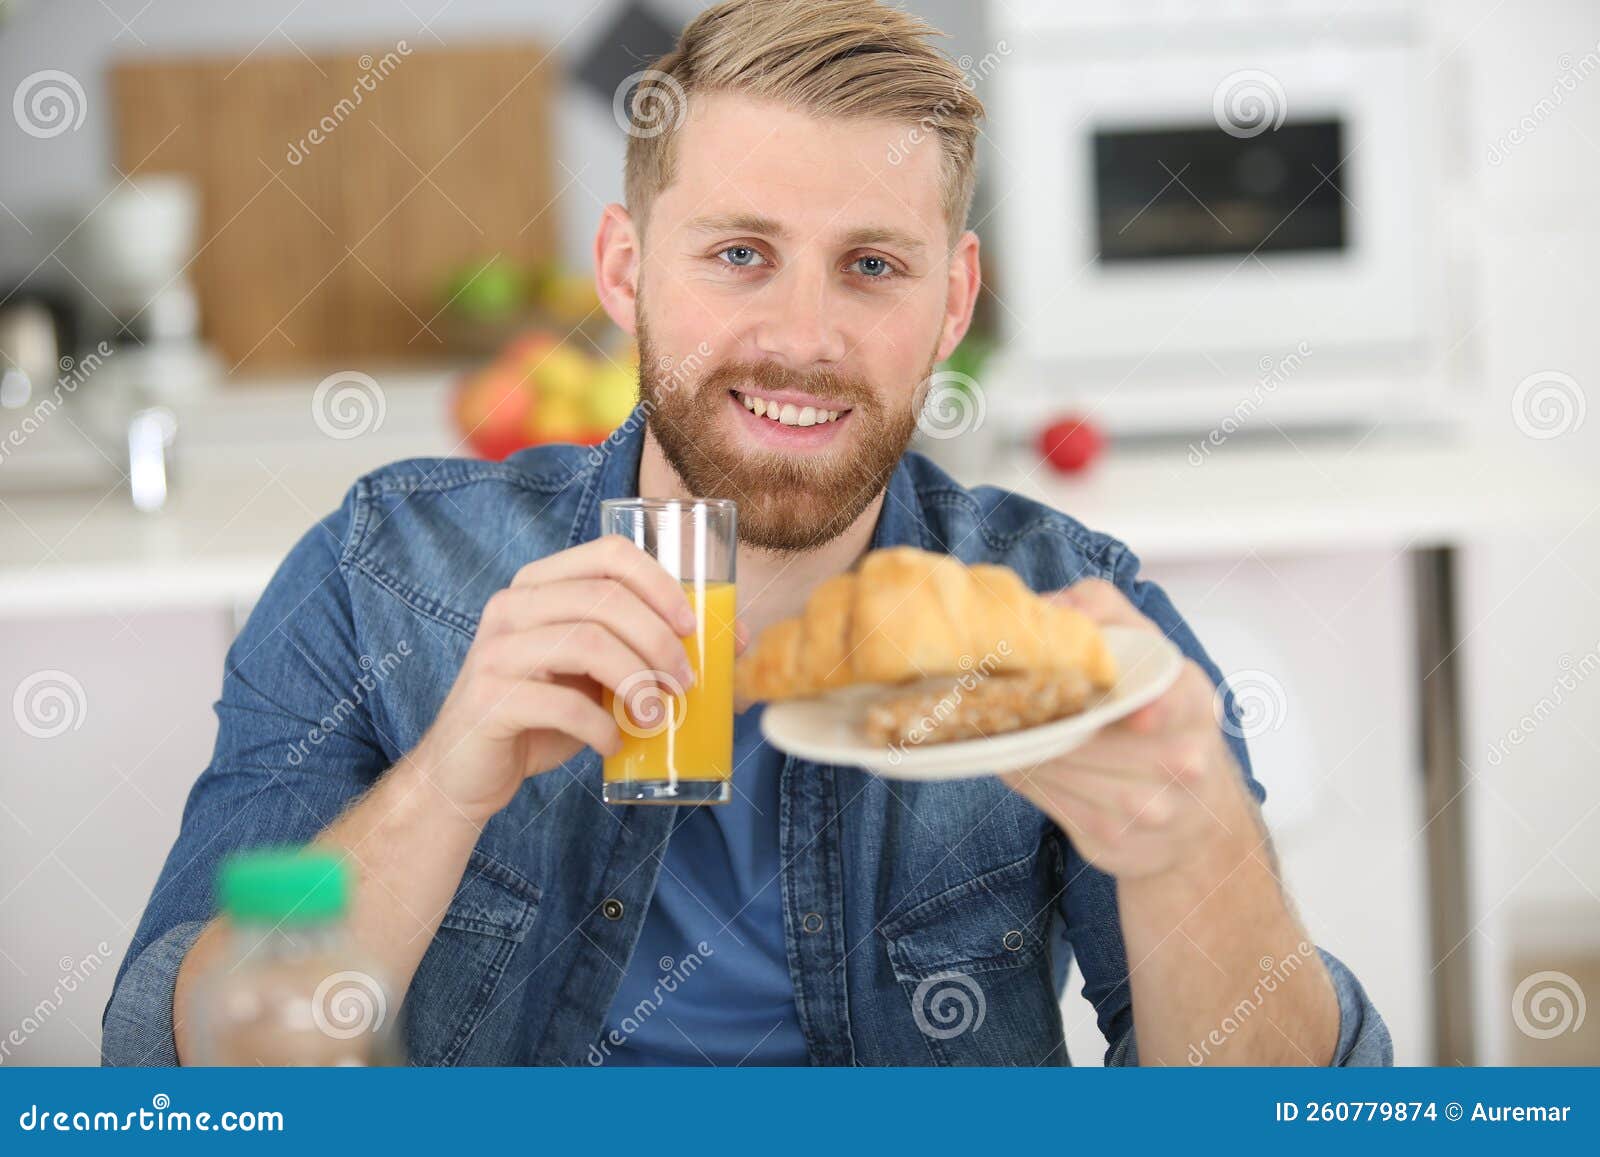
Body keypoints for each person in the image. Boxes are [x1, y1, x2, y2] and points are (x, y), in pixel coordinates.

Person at [103, 0, 1390, 1067]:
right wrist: (447, 783)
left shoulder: (1062, 618)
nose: (804, 339)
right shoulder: (382, 575)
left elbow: (1281, 1115)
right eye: (737, 252)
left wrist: (1197, 834)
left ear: (953, 301)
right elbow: (178, 1072)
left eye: (872, 267)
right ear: (622, 273)